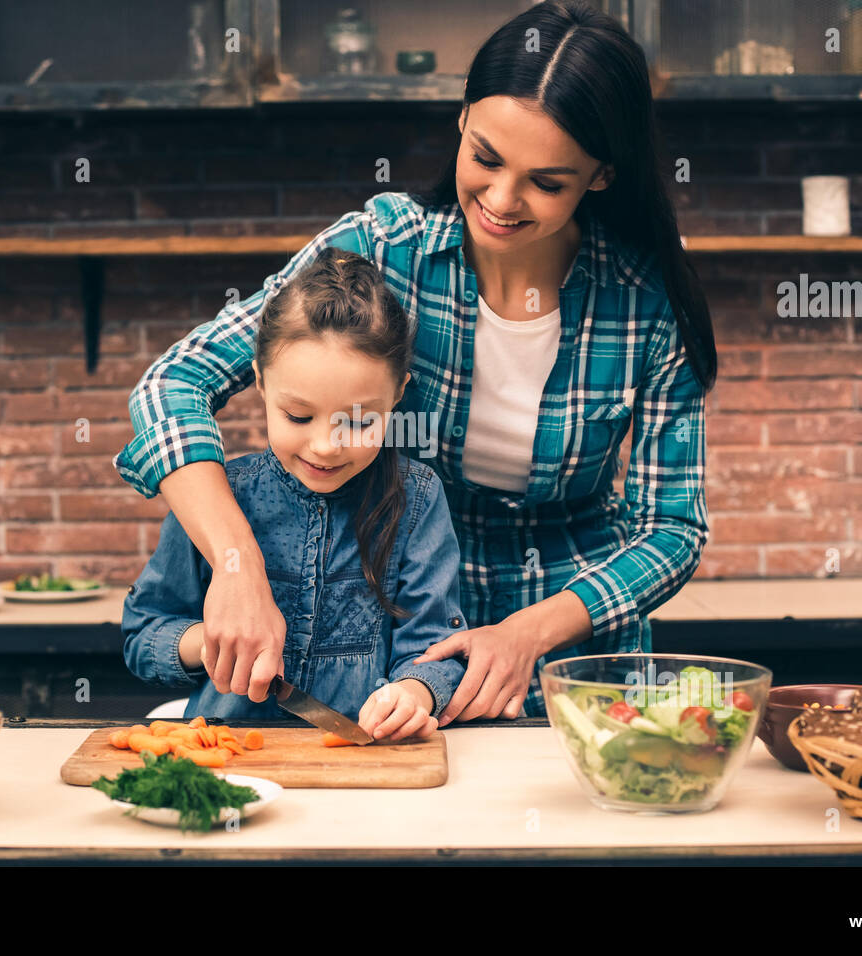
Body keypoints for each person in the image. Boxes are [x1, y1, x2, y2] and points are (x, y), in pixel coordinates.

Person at [115, 1, 715, 723]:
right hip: (401, 657)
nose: (500, 200)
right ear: (461, 120)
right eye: (486, 158)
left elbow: (671, 529)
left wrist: (530, 632)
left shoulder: (645, 302)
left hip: (577, 666)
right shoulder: (382, 247)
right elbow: (173, 385)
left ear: (602, 177)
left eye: (546, 182)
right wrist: (236, 567)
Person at [123, 250, 468, 741]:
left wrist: (415, 693)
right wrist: (208, 644)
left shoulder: (419, 500)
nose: (327, 446)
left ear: (397, 397)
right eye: (299, 417)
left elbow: (435, 646)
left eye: (360, 421)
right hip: (231, 763)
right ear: (261, 385)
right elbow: (143, 634)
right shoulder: (216, 494)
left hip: (361, 767)